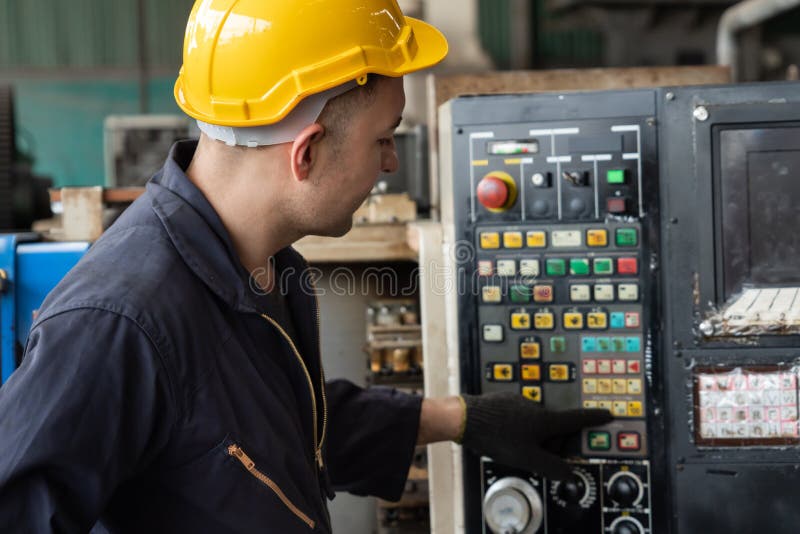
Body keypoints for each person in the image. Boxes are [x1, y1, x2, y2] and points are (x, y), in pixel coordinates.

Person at [0, 1, 611, 532]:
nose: (392, 164)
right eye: (384, 138)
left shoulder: (262, 264)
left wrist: (459, 419)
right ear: (307, 151)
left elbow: (264, 432)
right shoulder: (118, 323)